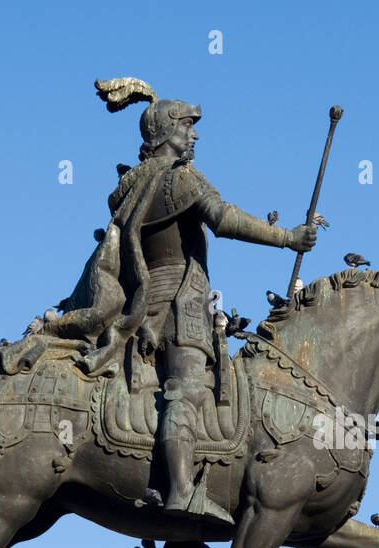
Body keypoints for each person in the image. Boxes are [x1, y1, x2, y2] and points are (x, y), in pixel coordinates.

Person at [48, 80, 316, 522]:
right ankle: (180, 493)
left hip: (146, 300)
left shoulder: (132, 187)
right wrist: (287, 238)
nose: (195, 135)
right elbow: (224, 219)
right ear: (168, 130)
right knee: (185, 392)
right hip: (179, 304)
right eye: (188, 126)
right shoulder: (178, 180)